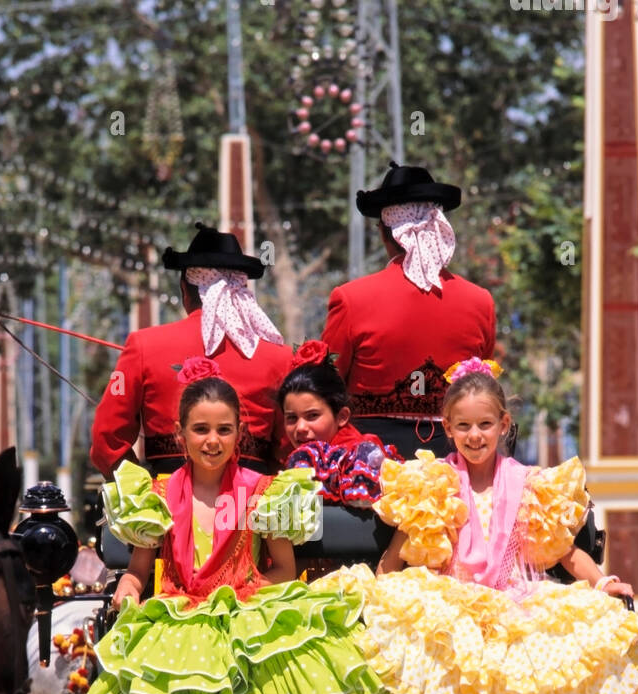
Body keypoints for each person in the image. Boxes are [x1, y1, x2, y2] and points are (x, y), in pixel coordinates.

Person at [67, 372, 403, 694]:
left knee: (237, 657)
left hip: (245, 603)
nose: (213, 440)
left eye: (224, 430)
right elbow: (138, 572)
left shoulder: (265, 491)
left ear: (240, 432)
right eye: (201, 429)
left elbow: (284, 569)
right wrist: (126, 588)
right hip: (180, 612)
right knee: (194, 663)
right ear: (180, 434)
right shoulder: (156, 496)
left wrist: (250, 591)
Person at [320, 360, 638, 694]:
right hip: (453, 592)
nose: (475, 435)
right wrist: (382, 584)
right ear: (448, 428)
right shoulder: (435, 482)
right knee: (432, 632)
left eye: (484, 424)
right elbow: (401, 545)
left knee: (550, 651)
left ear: (503, 424)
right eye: (463, 426)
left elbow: (564, 553)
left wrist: (604, 581)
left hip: (515, 593)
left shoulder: (531, 485)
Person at [321, 163, 497, 459]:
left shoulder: (351, 299)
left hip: (371, 464)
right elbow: (484, 387)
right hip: (456, 462)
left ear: (385, 233)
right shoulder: (481, 301)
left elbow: (325, 387)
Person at [90, 224, 293, 478]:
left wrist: (142, 493)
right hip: (253, 508)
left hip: (166, 509)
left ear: (185, 290)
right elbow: (290, 452)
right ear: (240, 291)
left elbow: (105, 442)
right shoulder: (282, 358)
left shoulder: (143, 345)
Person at [279, 340, 402, 510]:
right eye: (291, 418)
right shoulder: (296, 457)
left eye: (312, 416)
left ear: (342, 416)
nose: (300, 428)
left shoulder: (363, 458)